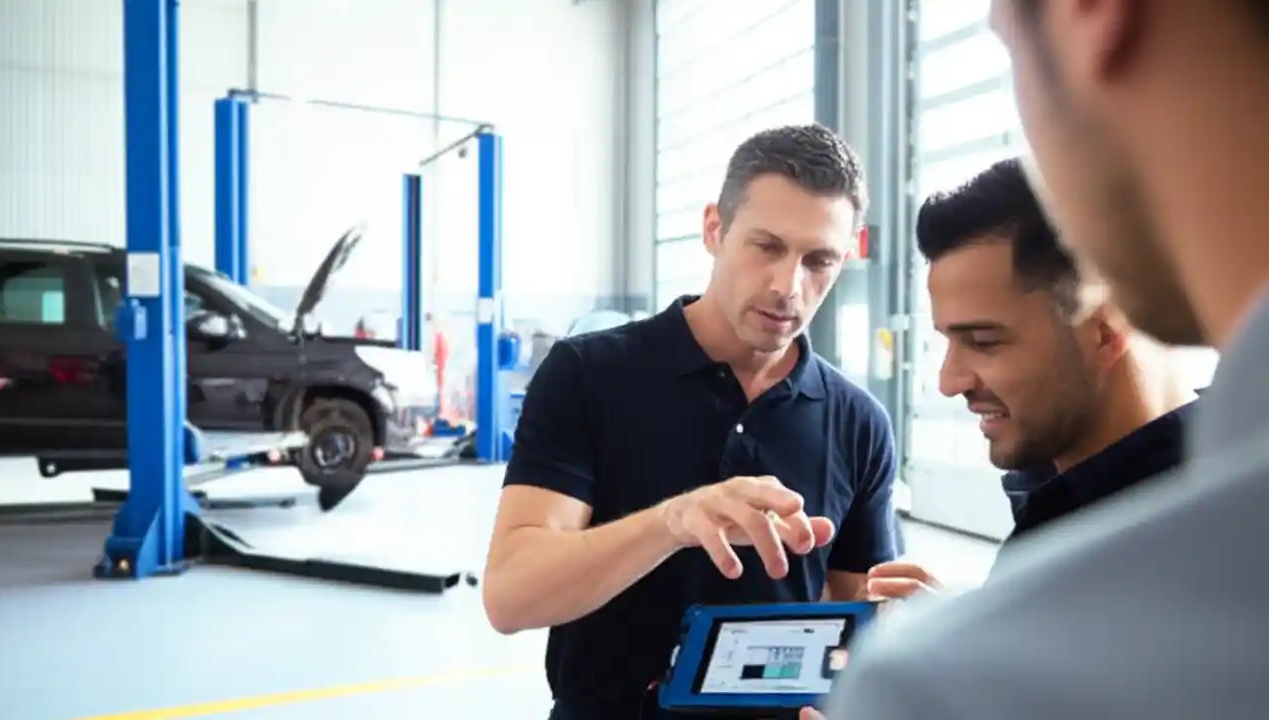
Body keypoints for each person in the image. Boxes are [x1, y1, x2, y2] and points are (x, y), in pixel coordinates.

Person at [819, 1, 1269, 718]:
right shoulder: (1062, 524)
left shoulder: (956, 683)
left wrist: (975, 662)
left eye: (984, 340)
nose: (948, 380)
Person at [481, 124, 901, 720]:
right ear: (714, 229)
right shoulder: (588, 375)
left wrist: (910, 635)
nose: (788, 286)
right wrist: (672, 522)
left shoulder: (858, 422)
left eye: (818, 261)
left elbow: (855, 613)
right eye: (767, 246)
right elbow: (510, 597)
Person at [865, 158, 1196, 601]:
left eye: (983, 341)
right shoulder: (1065, 501)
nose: (948, 381)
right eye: (947, 341)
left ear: (1104, 331)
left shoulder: (1196, 550)